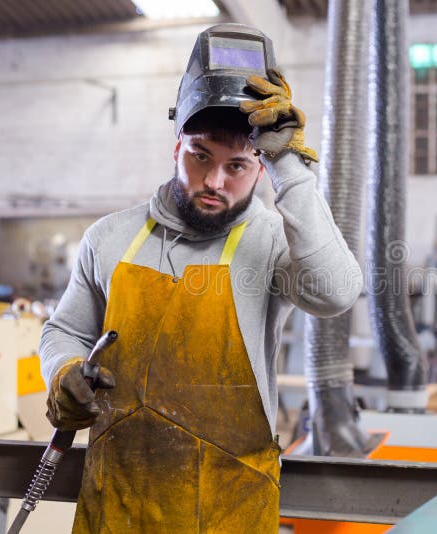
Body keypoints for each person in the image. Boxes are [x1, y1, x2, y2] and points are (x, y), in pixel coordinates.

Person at [39, 24, 361, 533]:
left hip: (229, 509)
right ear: (176, 148)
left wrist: (290, 168)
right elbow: (63, 330)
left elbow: (337, 292)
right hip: (118, 500)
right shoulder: (110, 236)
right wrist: (64, 371)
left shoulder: (272, 240)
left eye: (238, 165)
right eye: (200, 156)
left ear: (259, 169)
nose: (214, 182)